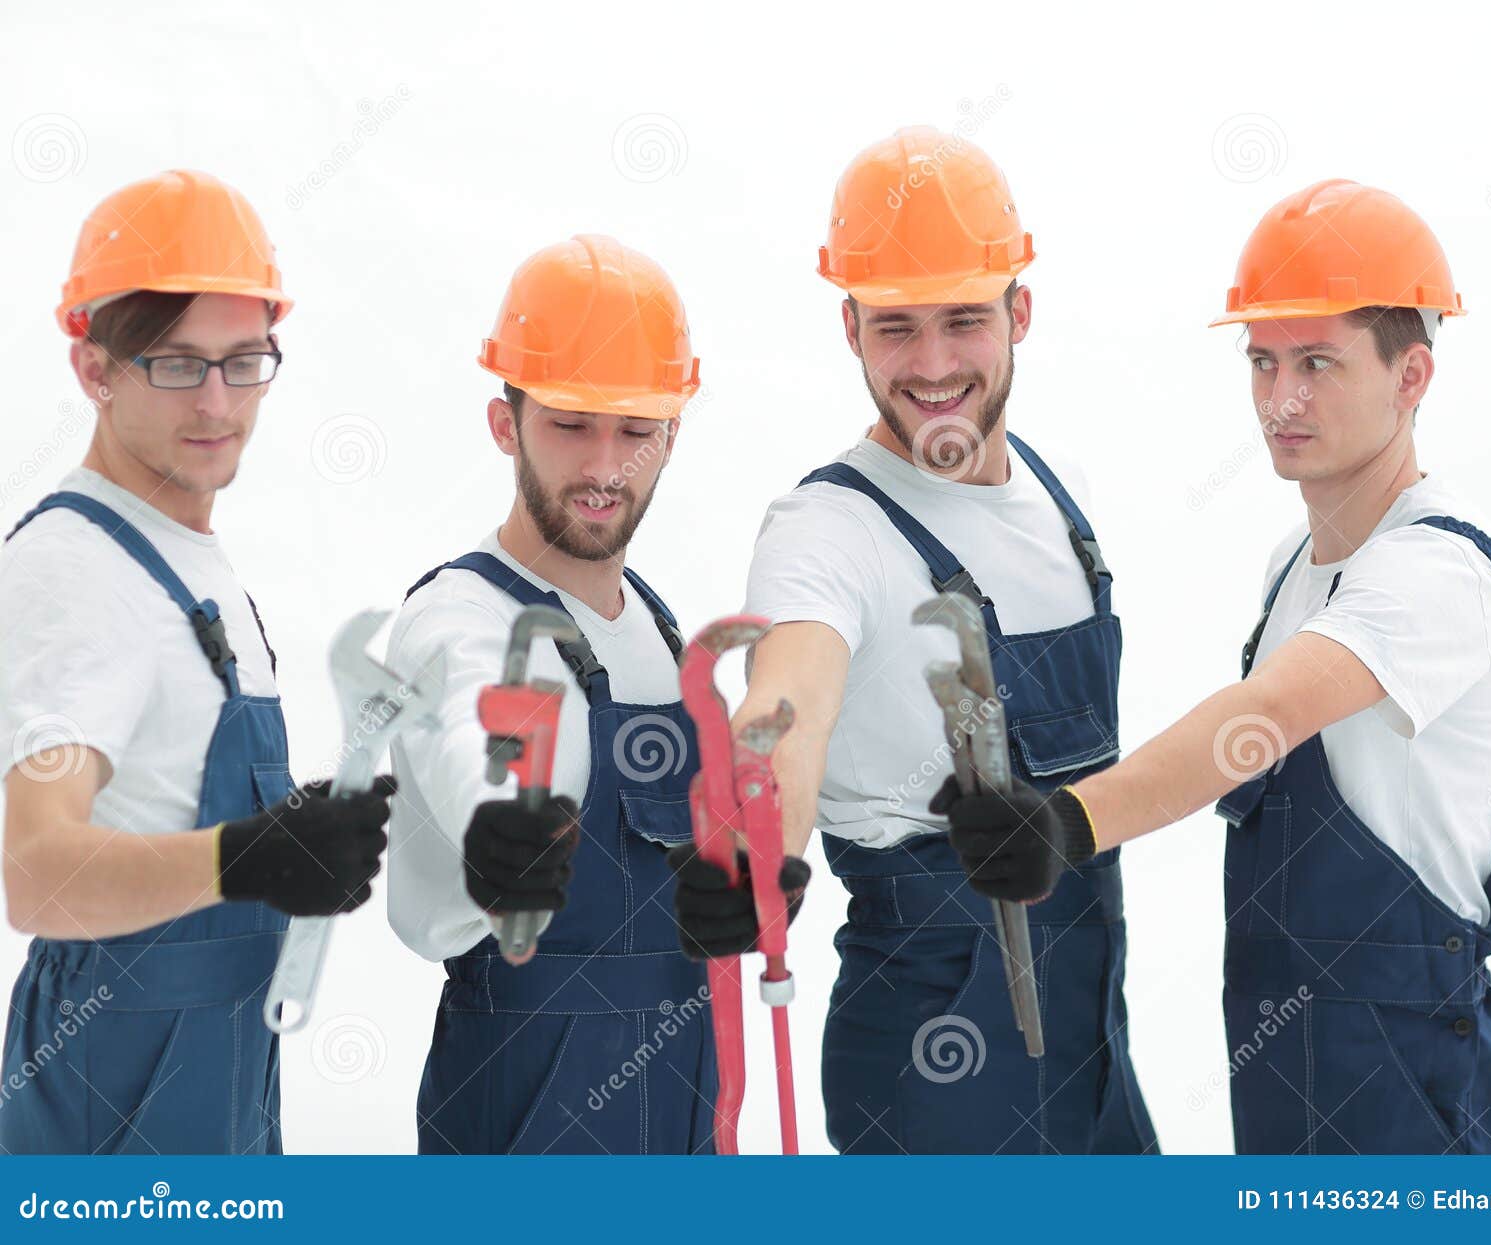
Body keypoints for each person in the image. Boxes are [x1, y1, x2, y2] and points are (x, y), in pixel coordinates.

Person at [936, 179, 1491, 1155]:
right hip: (1288, 1094)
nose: (1280, 399)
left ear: (1412, 374)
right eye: (1262, 363)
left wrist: (1068, 822)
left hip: (1417, 1112)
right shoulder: (1298, 573)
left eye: (1317, 363)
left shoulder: (1434, 577)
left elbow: (1260, 716)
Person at [671, 128, 1158, 1155]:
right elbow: (785, 703)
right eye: (896, 327)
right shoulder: (827, 530)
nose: (932, 367)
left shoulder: (1057, 504)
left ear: (1019, 312)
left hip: (1093, 1051)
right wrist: (754, 842)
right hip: (935, 1067)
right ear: (848, 327)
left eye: (963, 322)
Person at [0, 170, 395, 1155]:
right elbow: (35, 871)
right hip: (114, 1102)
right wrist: (244, 857)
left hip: (218, 1084)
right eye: (176, 365)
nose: (218, 402)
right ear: (95, 368)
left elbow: (172, 800)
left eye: (243, 360)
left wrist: (295, 842)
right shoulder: (76, 570)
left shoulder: (187, 556)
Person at [387, 235, 717, 1154]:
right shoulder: (461, 618)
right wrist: (498, 822)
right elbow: (468, 726)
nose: (605, 465)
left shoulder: (659, 631)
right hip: (527, 1113)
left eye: (635, 429)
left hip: (691, 1100)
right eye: (571, 423)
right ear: (506, 422)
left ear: (673, 434)